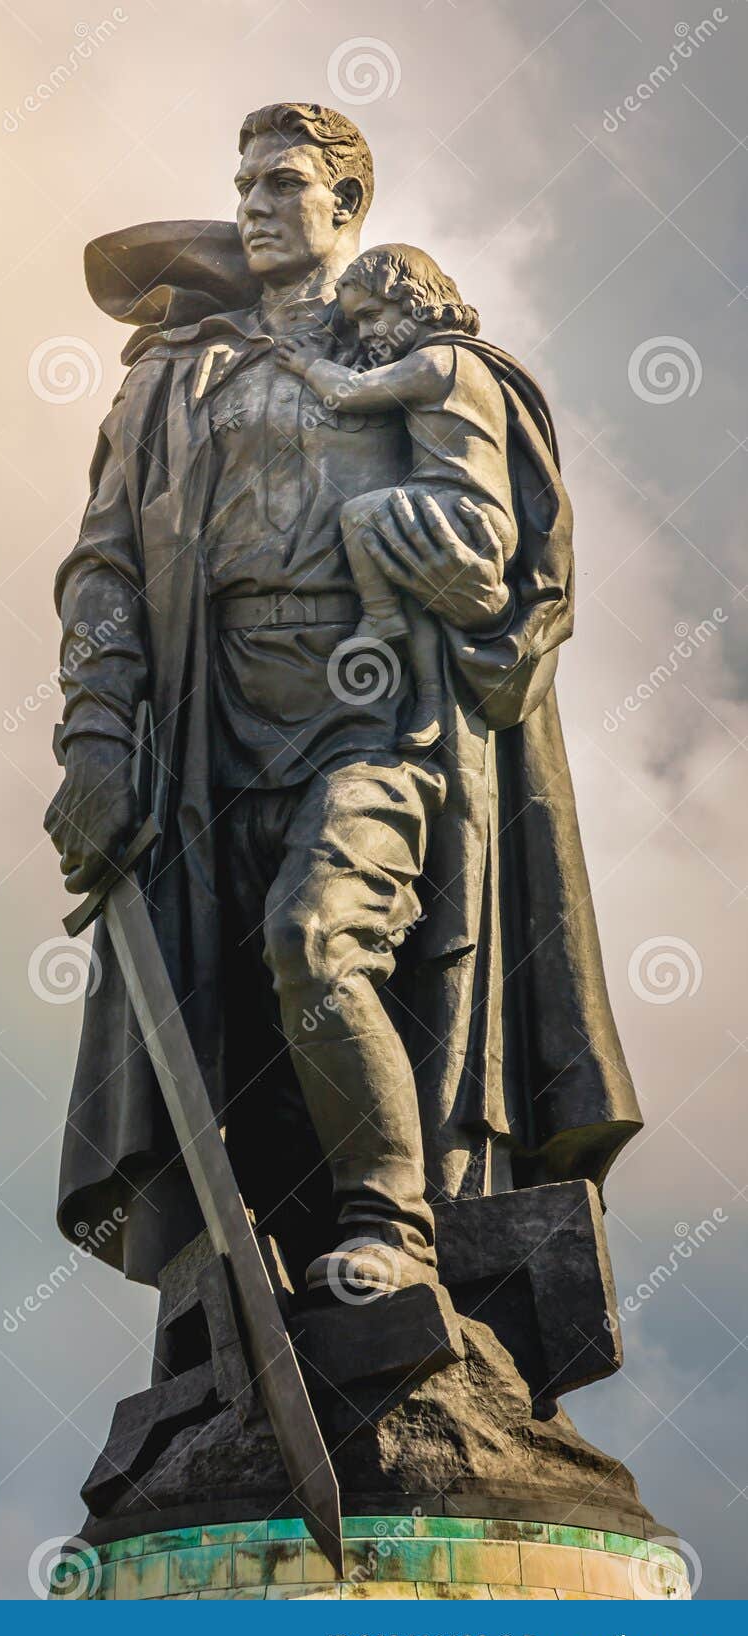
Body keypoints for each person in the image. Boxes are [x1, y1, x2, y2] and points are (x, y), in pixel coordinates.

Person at [45, 103, 641, 1301]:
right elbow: (104, 567)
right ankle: (260, 1286)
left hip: (383, 715)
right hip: (214, 738)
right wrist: (97, 737)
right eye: (243, 184)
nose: (255, 205)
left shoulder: (410, 351)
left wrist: (463, 585)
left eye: (282, 183)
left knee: (319, 939)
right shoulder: (174, 378)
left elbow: (514, 561)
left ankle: (395, 1229)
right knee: (237, 1031)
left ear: (345, 204)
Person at [278, 243, 517, 752]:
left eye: (371, 316)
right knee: (422, 598)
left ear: (412, 302)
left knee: (361, 514)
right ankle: (430, 703)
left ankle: (381, 612)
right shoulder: (462, 363)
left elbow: (353, 391)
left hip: (460, 507)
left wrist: (308, 367)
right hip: (457, 510)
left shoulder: (439, 361)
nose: (364, 333)